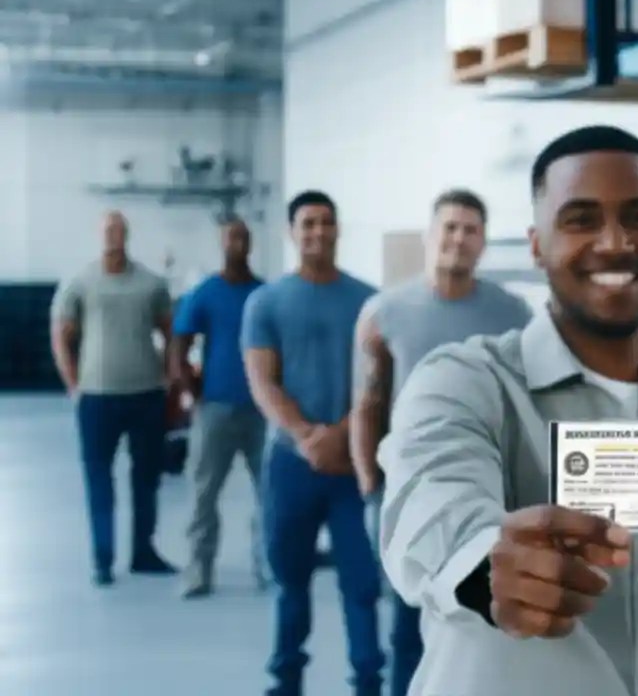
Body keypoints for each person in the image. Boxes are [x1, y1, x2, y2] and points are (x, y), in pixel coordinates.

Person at [376, 125, 638, 696]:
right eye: (581, 219)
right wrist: (484, 566)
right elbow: (431, 500)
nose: (615, 242)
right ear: (537, 243)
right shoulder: (466, 384)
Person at [350, 187, 532, 696]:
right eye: (450, 227)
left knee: (481, 625)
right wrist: (370, 487)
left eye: (470, 229)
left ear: (483, 242)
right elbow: (367, 404)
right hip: (410, 494)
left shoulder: (513, 315)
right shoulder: (385, 312)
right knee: (408, 623)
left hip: (488, 498)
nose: (459, 238)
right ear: (432, 236)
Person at [242, 191, 383, 696]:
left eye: (326, 222)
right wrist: (306, 437)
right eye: (307, 224)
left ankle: (369, 680)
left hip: (353, 466)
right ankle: (286, 681)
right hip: (291, 464)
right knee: (290, 581)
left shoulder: (369, 300)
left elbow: (377, 382)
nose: (317, 232)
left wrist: (341, 435)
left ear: (338, 229)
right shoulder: (266, 302)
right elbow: (263, 382)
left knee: (362, 584)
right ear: (291, 232)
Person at [50, 210, 177, 586]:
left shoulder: (151, 284)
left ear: (127, 234)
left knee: (146, 479)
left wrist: (170, 378)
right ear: (98, 235)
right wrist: (73, 384)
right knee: (99, 480)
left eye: (118, 229)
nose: (112, 235)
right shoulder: (80, 283)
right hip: (97, 398)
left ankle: (143, 552)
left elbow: (171, 334)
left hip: (145, 395)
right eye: (106, 229)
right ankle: (102, 559)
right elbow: (62, 337)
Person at [171, 217, 268, 598]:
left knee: (270, 494)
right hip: (216, 409)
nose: (238, 244)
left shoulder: (263, 294)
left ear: (251, 243)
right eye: (231, 238)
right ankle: (198, 570)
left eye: (243, 238)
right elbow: (180, 342)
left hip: (261, 411)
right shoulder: (206, 293)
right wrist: (193, 392)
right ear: (222, 244)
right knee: (203, 493)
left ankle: (267, 566)